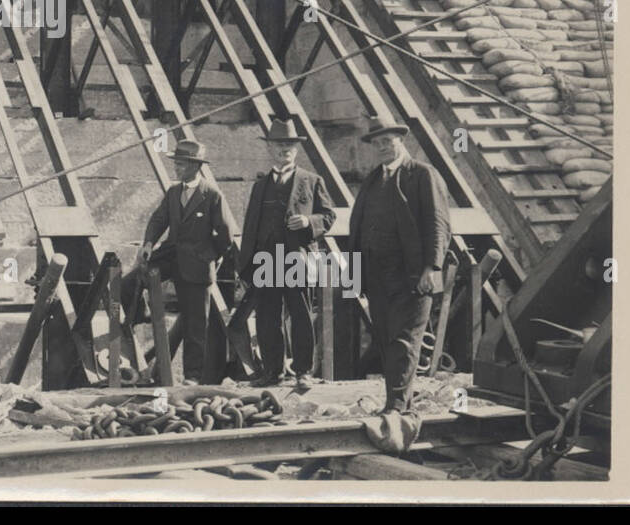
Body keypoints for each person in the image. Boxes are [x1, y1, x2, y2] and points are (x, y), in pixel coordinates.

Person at [348, 115, 449, 414]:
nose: (382, 147)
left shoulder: (422, 175)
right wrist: (355, 277)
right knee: (385, 340)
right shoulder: (373, 179)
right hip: (377, 276)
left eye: (387, 141)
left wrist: (432, 268)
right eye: (376, 143)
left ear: (400, 141)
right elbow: (358, 226)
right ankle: (393, 402)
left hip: (411, 276)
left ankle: (397, 407)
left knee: (405, 342)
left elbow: (438, 223)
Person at [230, 116, 336, 389]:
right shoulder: (260, 185)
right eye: (278, 145)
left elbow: (328, 216)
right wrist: (246, 265)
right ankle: (272, 372)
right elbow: (250, 226)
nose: (284, 150)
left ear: (296, 149)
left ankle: (303, 372)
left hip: (296, 257)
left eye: (289, 145)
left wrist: (308, 222)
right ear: (269, 149)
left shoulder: (311, 181)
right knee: (267, 318)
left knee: (300, 315)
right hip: (265, 259)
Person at [125, 137, 234, 384]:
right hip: (171, 256)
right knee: (129, 282)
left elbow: (225, 235)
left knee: (196, 324)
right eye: (176, 164)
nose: (177, 169)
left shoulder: (212, 195)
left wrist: (209, 256)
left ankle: (192, 377)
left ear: (196, 166)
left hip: (197, 266)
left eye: (182, 164)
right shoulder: (174, 192)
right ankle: (137, 312)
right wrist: (149, 243)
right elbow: (158, 219)